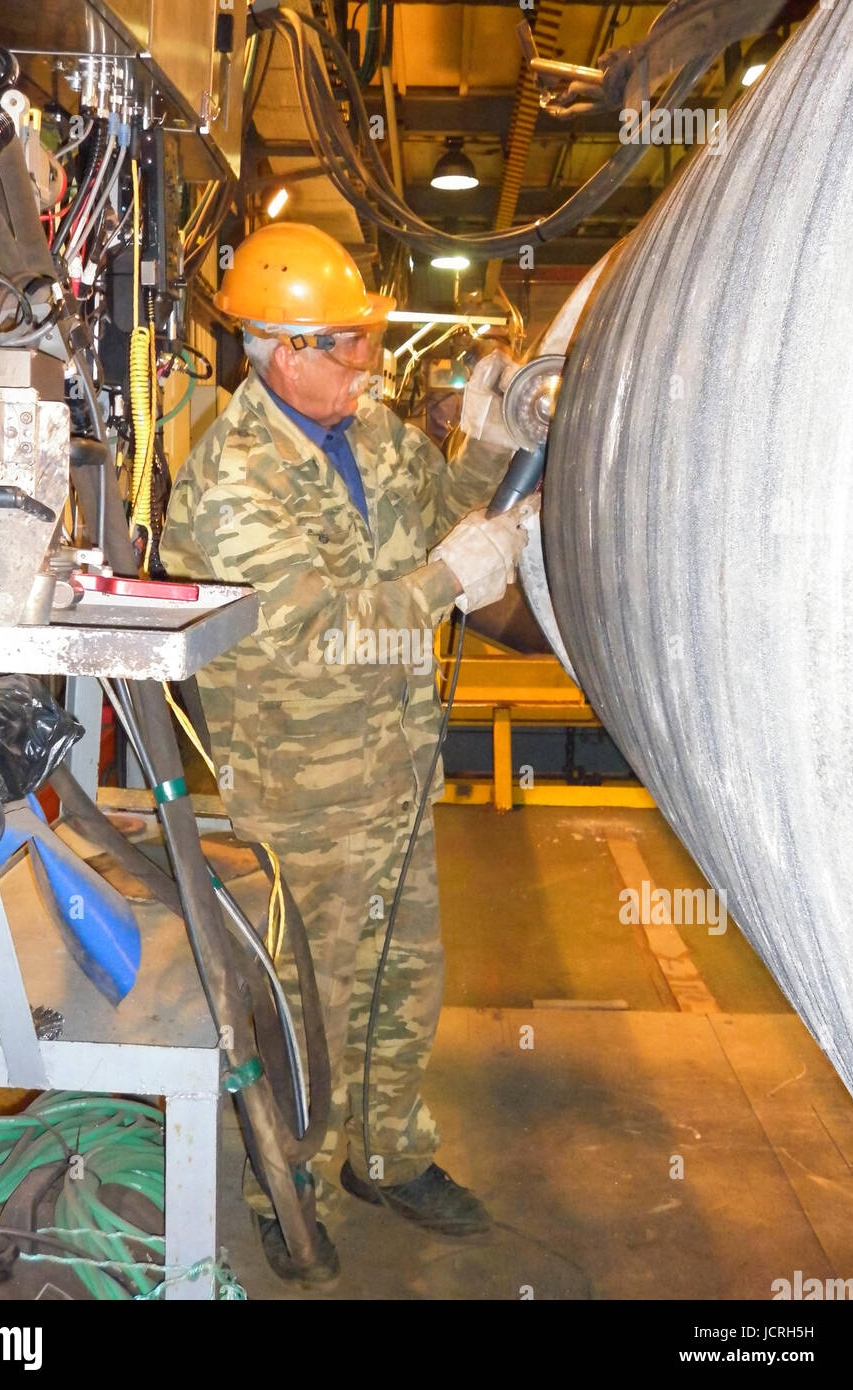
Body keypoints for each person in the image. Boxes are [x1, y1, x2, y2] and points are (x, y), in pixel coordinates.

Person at [160, 221, 534, 1284]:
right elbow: (329, 635)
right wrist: (448, 582)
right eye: (351, 346)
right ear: (284, 351)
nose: (369, 364)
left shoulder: (369, 438)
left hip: (394, 776)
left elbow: (450, 509)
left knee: (400, 976)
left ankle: (388, 1155)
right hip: (302, 797)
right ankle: (286, 1187)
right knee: (301, 1003)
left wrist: (495, 440)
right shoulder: (233, 480)